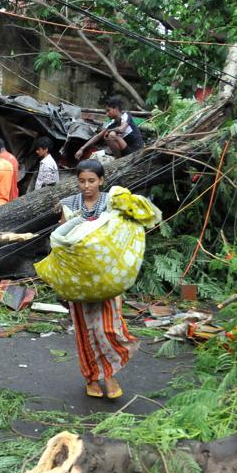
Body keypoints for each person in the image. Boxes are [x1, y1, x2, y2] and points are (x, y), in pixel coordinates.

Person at [59, 159, 137, 399]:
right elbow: (61, 239)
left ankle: (111, 374)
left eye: (91, 181)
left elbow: (123, 234)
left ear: (101, 180)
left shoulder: (111, 204)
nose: (86, 186)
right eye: (81, 181)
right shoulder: (69, 204)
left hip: (106, 277)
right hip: (79, 278)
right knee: (86, 331)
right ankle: (92, 378)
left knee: (108, 328)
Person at [73, 96, 144, 160]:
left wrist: (109, 131)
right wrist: (82, 149)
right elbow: (97, 136)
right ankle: (119, 160)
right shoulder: (112, 124)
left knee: (111, 135)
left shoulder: (126, 115)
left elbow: (121, 129)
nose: (107, 114)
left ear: (115, 109)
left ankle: (118, 160)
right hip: (127, 152)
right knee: (107, 135)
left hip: (137, 150)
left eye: (108, 110)